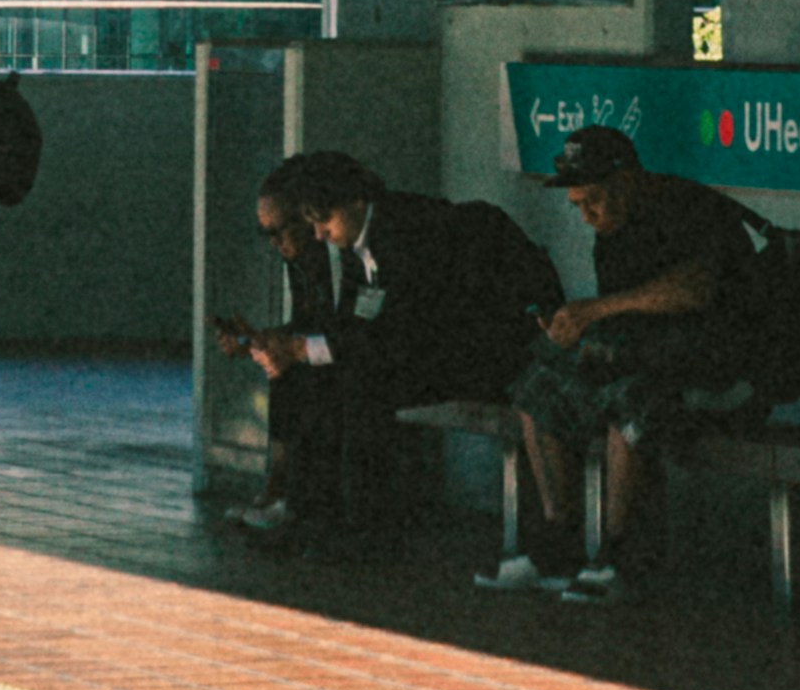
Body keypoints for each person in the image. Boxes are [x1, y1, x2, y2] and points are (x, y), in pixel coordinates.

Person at [504, 124, 800, 584]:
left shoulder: (689, 209)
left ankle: (621, 557)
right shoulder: (613, 230)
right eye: (578, 206)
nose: (586, 216)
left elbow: (695, 289)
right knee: (539, 389)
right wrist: (575, 330)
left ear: (625, 182)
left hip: (727, 382)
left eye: (592, 200)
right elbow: (626, 325)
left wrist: (597, 310)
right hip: (661, 366)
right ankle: (557, 545)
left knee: (630, 396)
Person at [220, 146, 562, 550]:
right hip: (430, 349)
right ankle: (308, 509)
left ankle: (360, 525)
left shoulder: (408, 234)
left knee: (359, 383)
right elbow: (357, 326)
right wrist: (291, 347)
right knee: (324, 372)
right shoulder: (356, 241)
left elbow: (397, 333)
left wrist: (301, 348)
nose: (319, 234)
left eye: (323, 220)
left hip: (484, 351)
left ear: (355, 200)